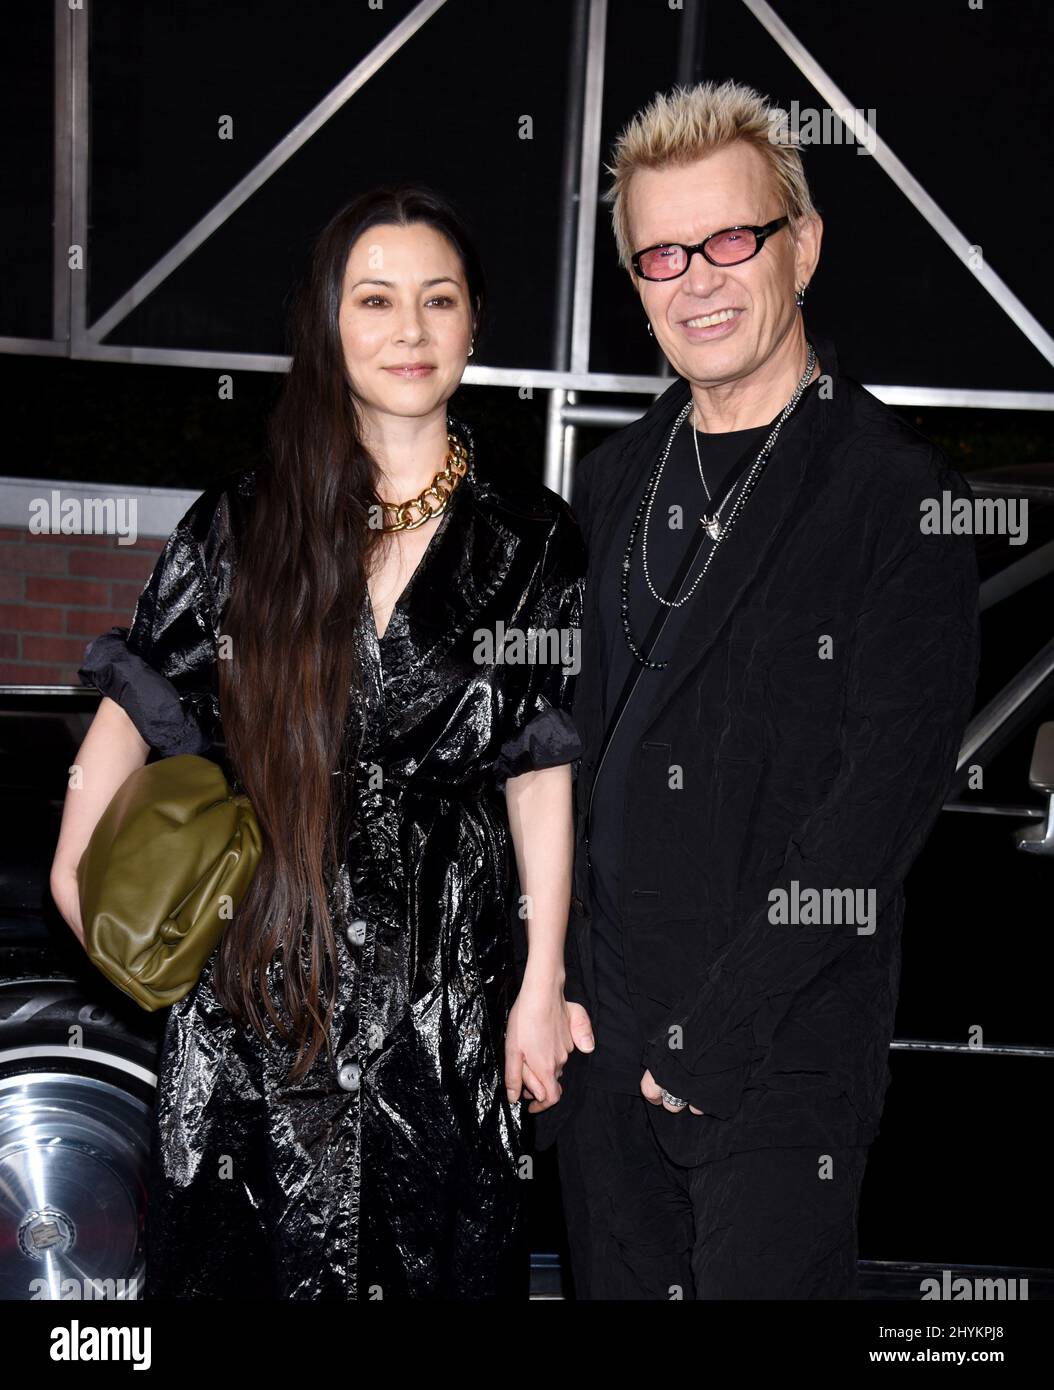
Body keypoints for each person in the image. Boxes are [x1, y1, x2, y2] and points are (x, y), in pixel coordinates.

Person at [49, 184, 595, 1300]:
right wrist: (80, 881)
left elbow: (536, 767)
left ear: (474, 324)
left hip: (444, 1000)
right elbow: (132, 708)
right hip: (259, 994)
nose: (409, 331)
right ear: (328, 325)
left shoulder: (532, 538)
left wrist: (540, 982)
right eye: (376, 300)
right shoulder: (248, 523)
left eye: (438, 302)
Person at [532, 80, 981, 1300]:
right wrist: (546, 979)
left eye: (733, 238)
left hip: (779, 1056)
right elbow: (562, 747)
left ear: (805, 243)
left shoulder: (894, 497)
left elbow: (877, 808)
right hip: (601, 1048)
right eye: (663, 254)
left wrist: (719, 1029)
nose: (700, 280)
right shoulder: (615, 481)